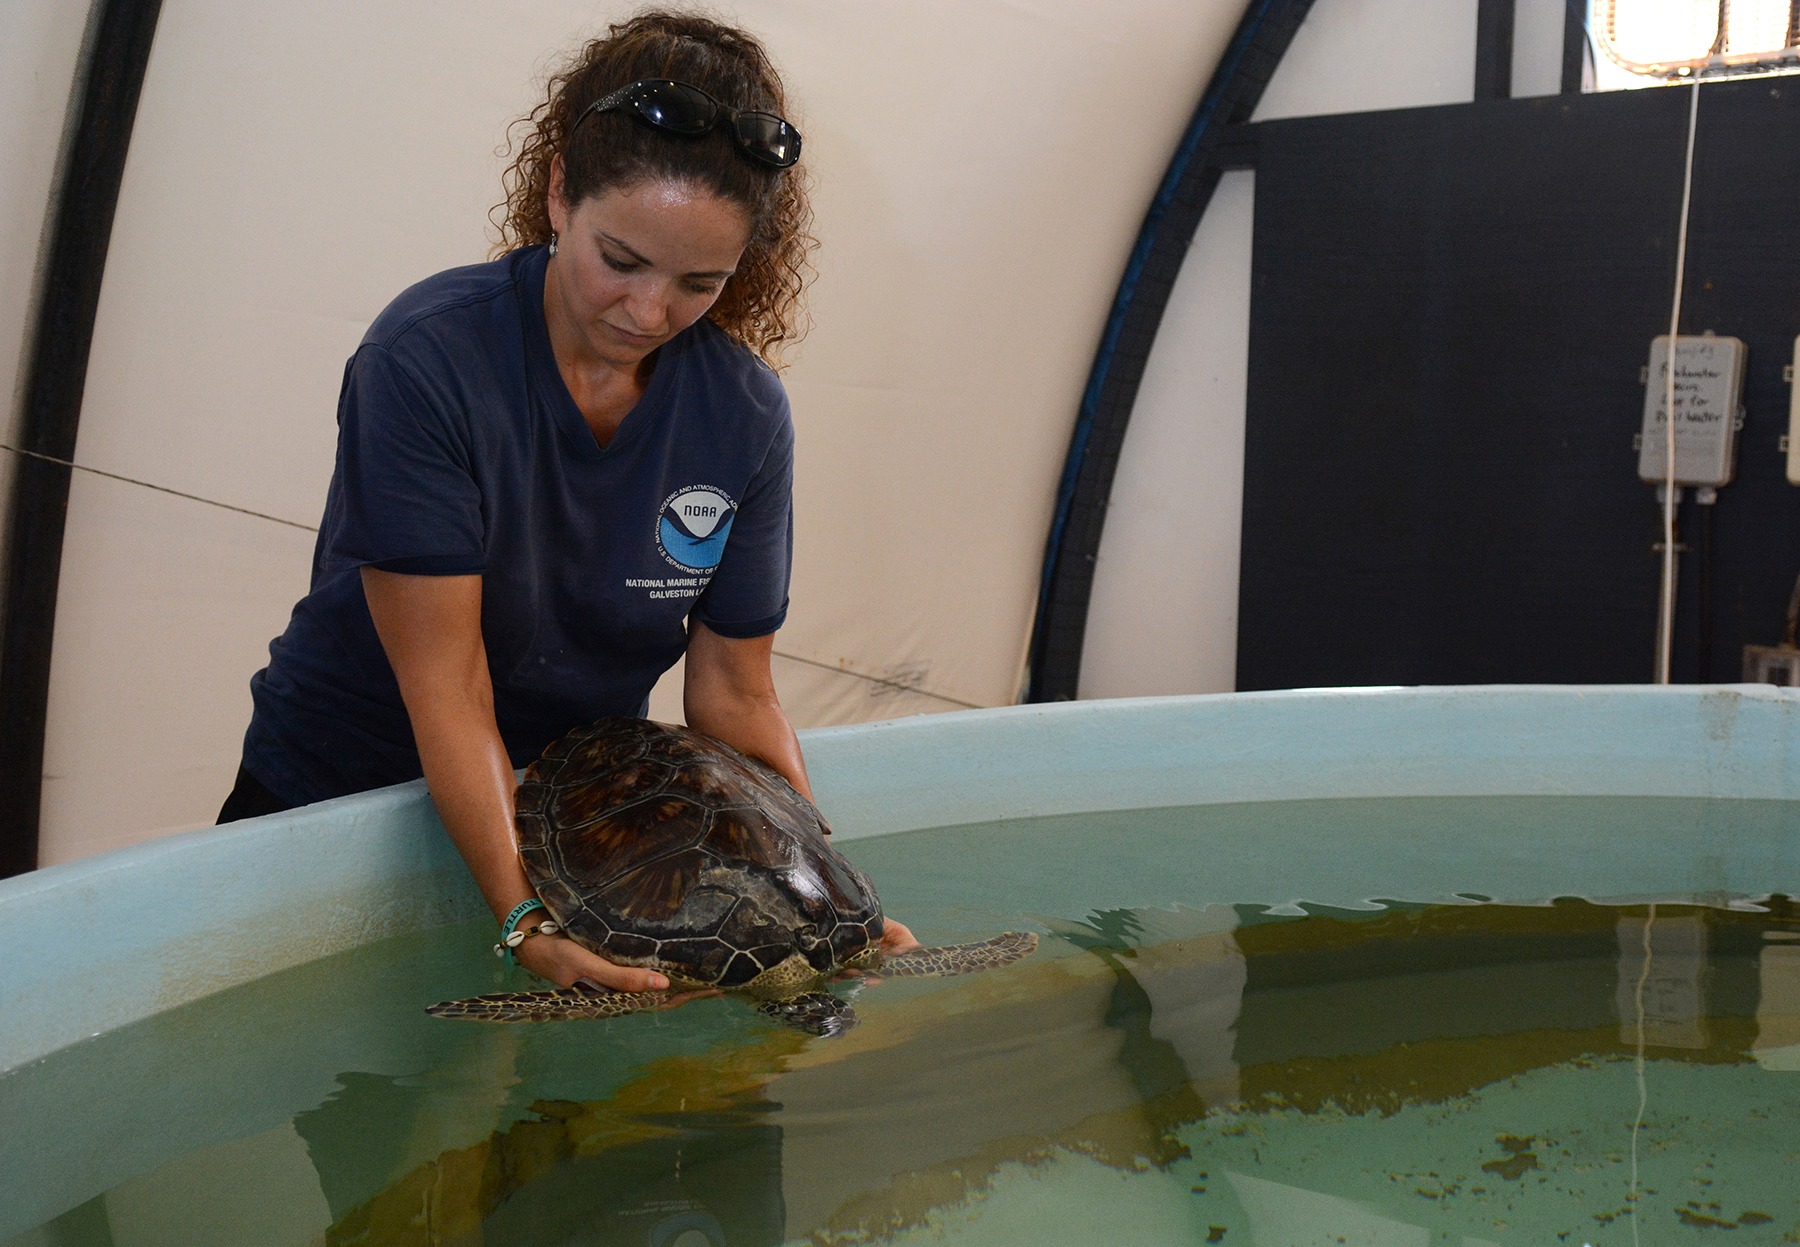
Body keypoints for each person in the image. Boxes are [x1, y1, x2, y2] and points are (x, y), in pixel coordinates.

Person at [220, 10, 915, 995]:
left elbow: (734, 696)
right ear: (557, 191)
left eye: (698, 283)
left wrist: (816, 898)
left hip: (584, 835)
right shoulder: (427, 362)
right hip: (347, 789)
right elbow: (453, 690)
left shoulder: (743, 414)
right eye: (620, 260)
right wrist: (519, 913)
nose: (646, 312)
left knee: (574, 1136)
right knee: (345, 1101)